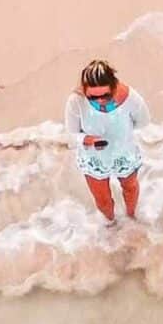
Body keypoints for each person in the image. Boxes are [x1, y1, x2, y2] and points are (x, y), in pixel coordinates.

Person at [64, 60, 150, 222]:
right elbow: (71, 133)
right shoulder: (76, 101)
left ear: (114, 86)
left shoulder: (130, 98)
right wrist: (86, 139)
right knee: (103, 202)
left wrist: (121, 135)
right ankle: (111, 224)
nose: (100, 100)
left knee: (130, 189)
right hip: (94, 158)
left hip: (124, 154)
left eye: (105, 95)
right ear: (84, 90)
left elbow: (144, 121)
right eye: (93, 97)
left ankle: (131, 218)